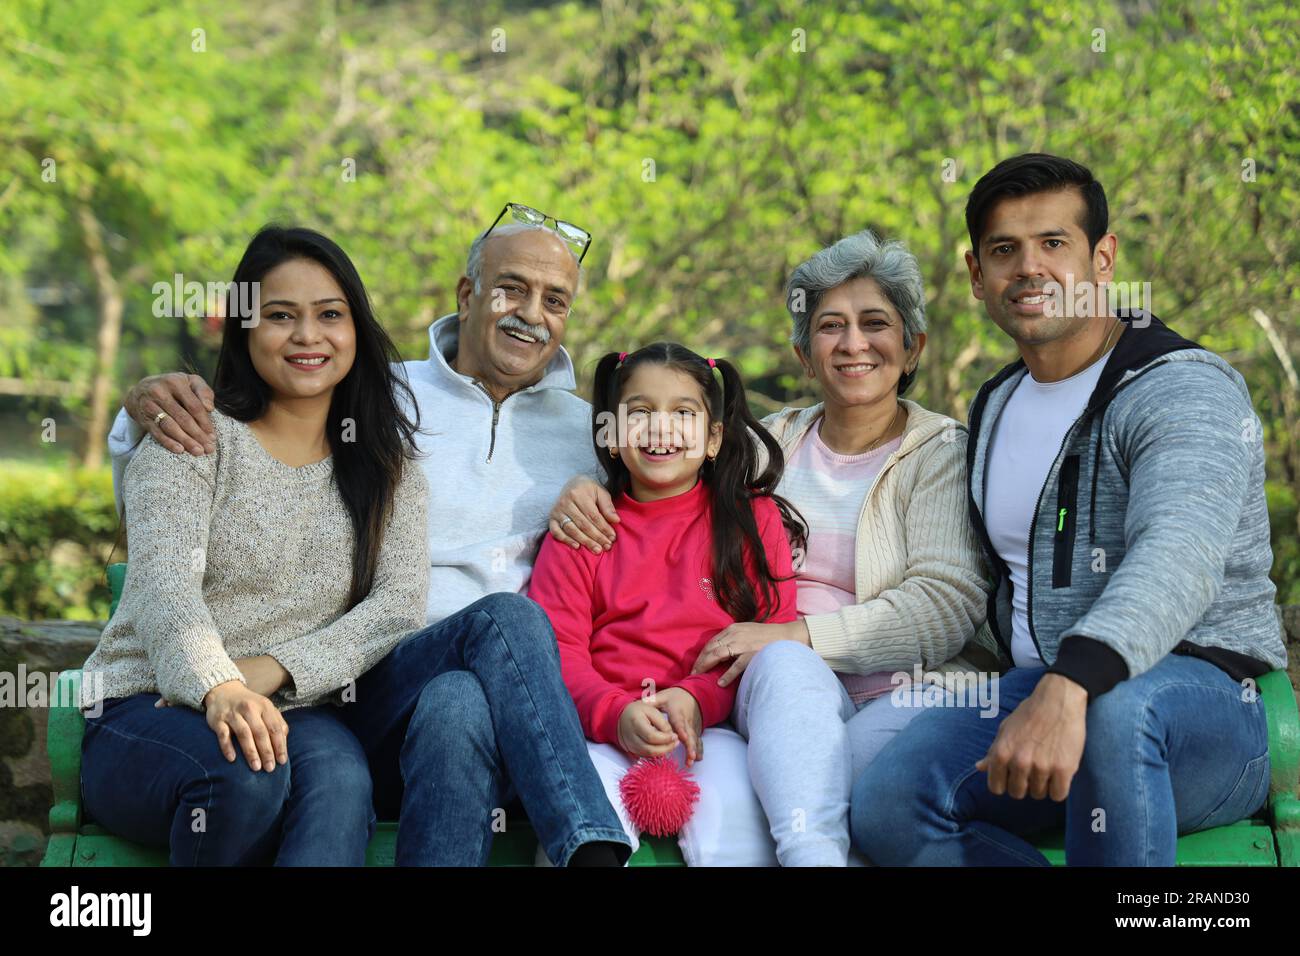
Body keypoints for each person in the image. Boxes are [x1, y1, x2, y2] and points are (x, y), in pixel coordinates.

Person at [107, 204, 633, 866]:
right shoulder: (382, 401)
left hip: (517, 715)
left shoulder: (590, 432)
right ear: (467, 294)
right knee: (500, 623)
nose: (532, 312)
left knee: (460, 697)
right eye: (512, 289)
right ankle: (591, 849)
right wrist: (143, 410)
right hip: (367, 688)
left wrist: (601, 490)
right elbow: (166, 526)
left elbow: (687, 501)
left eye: (554, 300)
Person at [850, 153, 1288, 866]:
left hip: (1205, 707)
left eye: (1054, 244)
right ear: (975, 274)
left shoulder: (1182, 389)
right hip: (1038, 690)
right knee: (888, 806)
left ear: (1103, 258)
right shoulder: (996, 401)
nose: (1029, 268)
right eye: (1004, 250)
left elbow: (1178, 554)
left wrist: (1073, 685)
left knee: (1118, 712)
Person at [545, 231, 998, 865]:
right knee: (784, 692)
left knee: (835, 759)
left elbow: (944, 605)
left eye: (875, 324)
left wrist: (797, 638)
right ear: (803, 353)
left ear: (913, 345)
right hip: (764, 700)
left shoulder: (940, 452)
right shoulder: (768, 445)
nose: (853, 344)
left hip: (895, 694)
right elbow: (663, 469)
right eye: (830, 326)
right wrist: (582, 488)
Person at [80, 226, 429, 865]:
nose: (307, 336)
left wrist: (272, 675)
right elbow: (165, 590)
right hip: (144, 708)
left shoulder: (386, 463)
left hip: (298, 707)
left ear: (357, 331)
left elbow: (398, 606)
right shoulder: (191, 439)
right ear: (244, 329)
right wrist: (220, 686)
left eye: (330, 315)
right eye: (279, 316)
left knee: (343, 785)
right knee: (244, 773)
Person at [527, 344, 803, 865]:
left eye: (683, 413)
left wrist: (697, 698)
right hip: (604, 731)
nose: (661, 429)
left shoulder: (752, 521)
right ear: (610, 432)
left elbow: (769, 637)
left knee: (740, 835)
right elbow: (556, 651)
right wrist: (615, 713)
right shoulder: (583, 528)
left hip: (711, 730)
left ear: (715, 437)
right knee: (577, 837)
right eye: (639, 412)